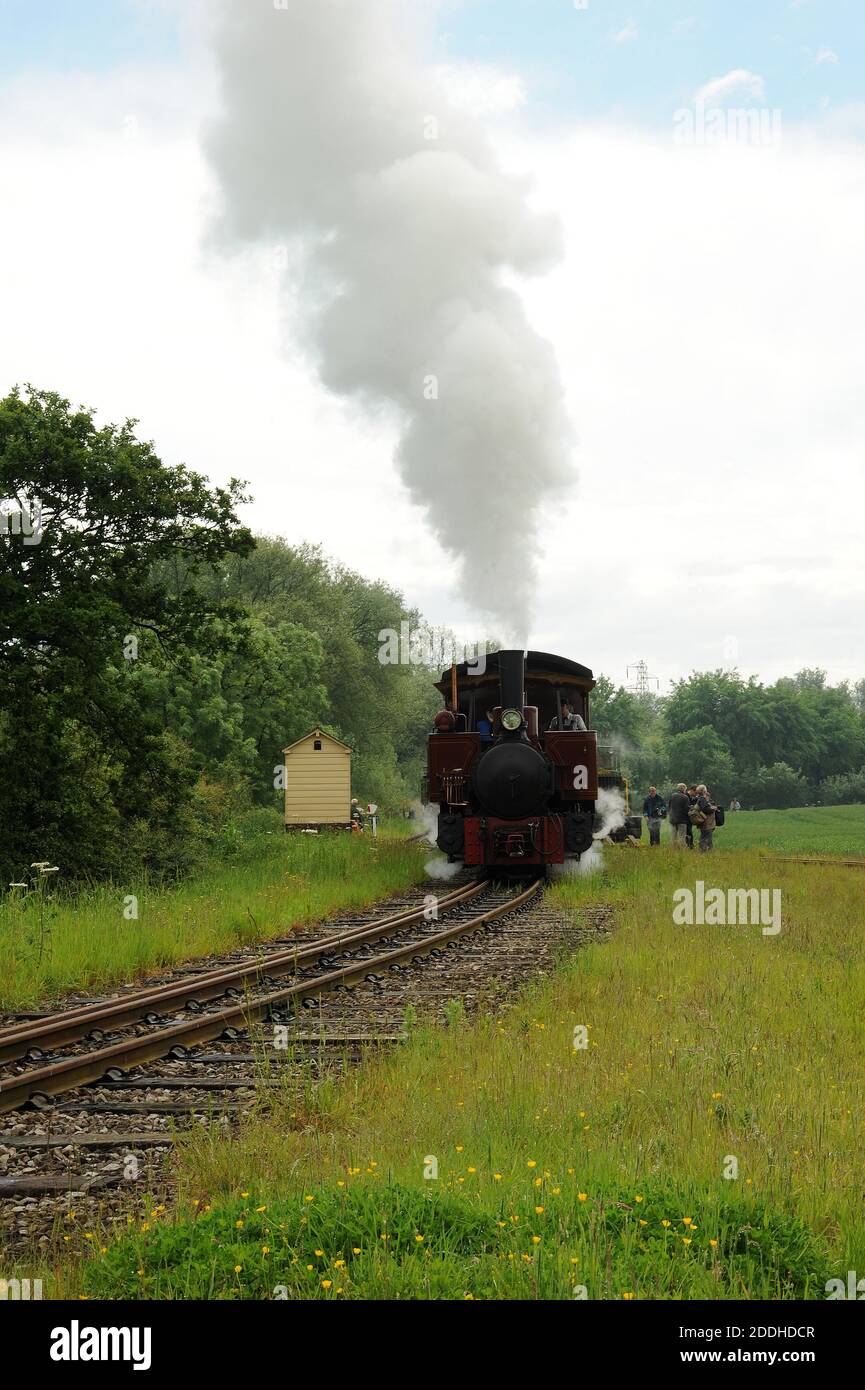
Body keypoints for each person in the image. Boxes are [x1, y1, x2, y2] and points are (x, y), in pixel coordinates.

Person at [691, 783, 717, 852]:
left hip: (707, 822)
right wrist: (713, 808)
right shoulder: (702, 799)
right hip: (706, 822)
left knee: (705, 837)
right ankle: (705, 852)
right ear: (704, 791)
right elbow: (705, 809)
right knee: (707, 838)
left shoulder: (703, 798)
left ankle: (704, 851)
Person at [667, 782, 690, 847]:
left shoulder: (672, 795)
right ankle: (682, 851)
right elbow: (687, 809)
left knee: (673, 837)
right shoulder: (685, 797)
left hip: (672, 820)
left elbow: (669, 806)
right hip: (682, 820)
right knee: (682, 837)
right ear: (683, 789)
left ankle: (674, 849)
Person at [685, 785, 698, 849]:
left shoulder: (692, 797)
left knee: (689, 831)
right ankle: (689, 845)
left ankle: (690, 845)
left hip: (689, 818)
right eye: (696, 793)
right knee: (688, 832)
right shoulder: (685, 796)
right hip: (685, 818)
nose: (696, 795)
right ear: (692, 790)